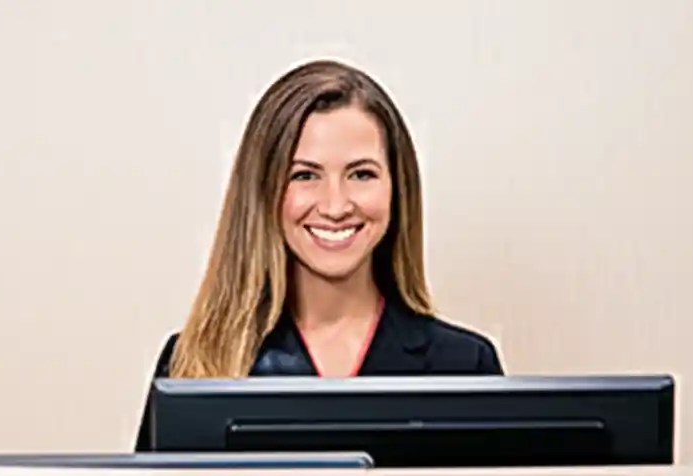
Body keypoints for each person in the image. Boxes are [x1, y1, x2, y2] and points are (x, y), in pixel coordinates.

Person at [136, 59, 502, 451]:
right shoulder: (193, 365)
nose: (335, 205)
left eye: (361, 174)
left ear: (398, 188)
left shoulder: (464, 365)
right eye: (304, 175)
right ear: (264, 192)